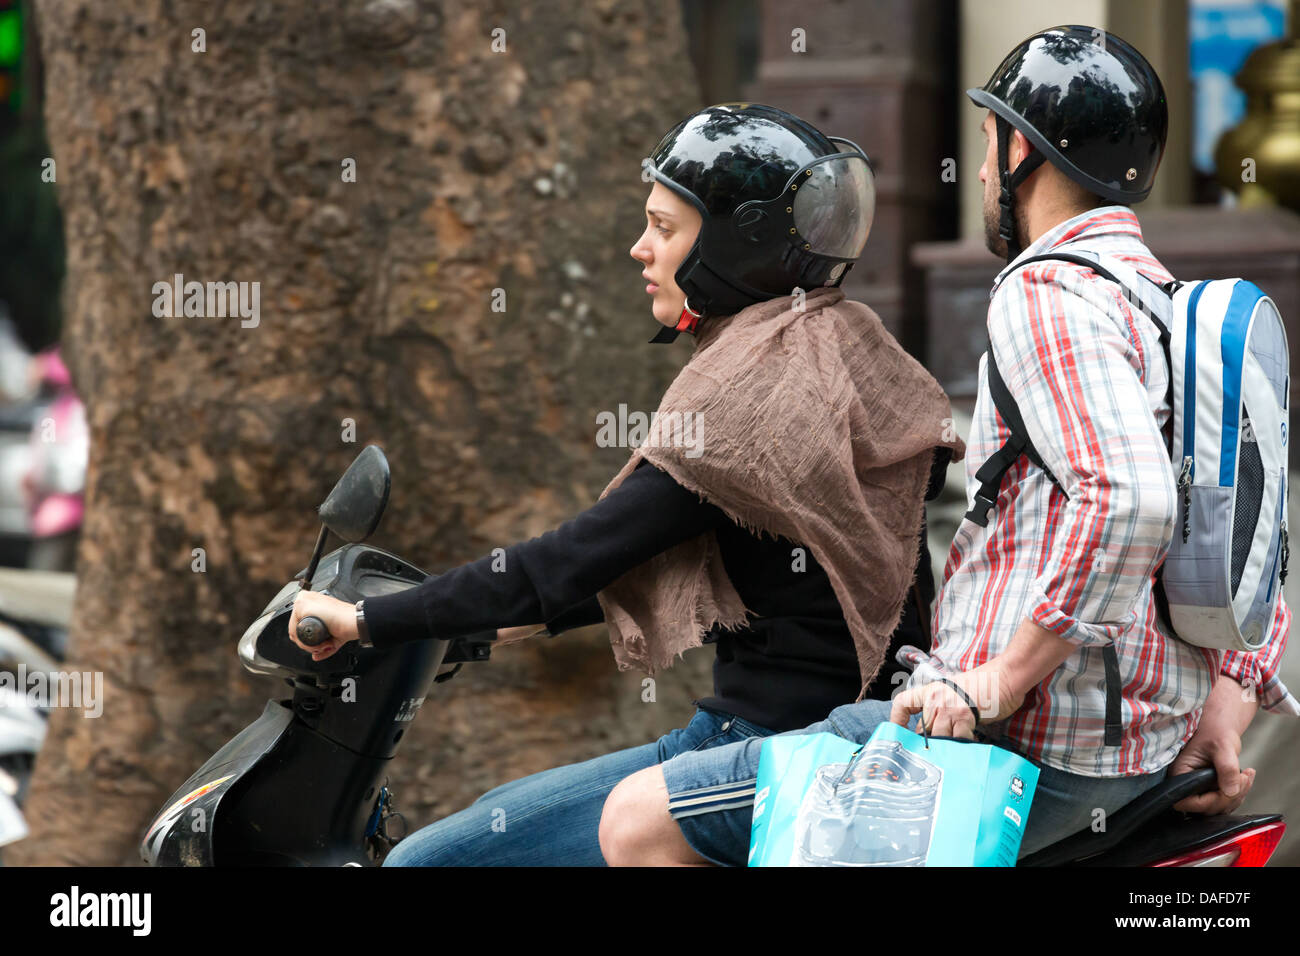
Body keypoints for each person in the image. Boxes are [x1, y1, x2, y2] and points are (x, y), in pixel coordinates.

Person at [597, 25, 1298, 866]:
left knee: (636, 822)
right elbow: (1251, 518)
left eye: (987, 140)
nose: (977, 167)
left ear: (1025, 152)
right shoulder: (1167, 303)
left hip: (1021, 743)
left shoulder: (1045, 291)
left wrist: (1003, 676)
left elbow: (1133, 500)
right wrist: (1232, 692)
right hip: (1143, 750)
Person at [287, 103, 965, 866]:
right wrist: (485, 623)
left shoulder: (749, 398)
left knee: (431, 861)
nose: (640, 249)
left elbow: (566, 560)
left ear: (732, 245)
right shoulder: (845, 346)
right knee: (497, 817)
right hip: (851, 740)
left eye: (664, 229)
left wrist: (363, 621)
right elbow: (690, 556)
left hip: (763, 754)